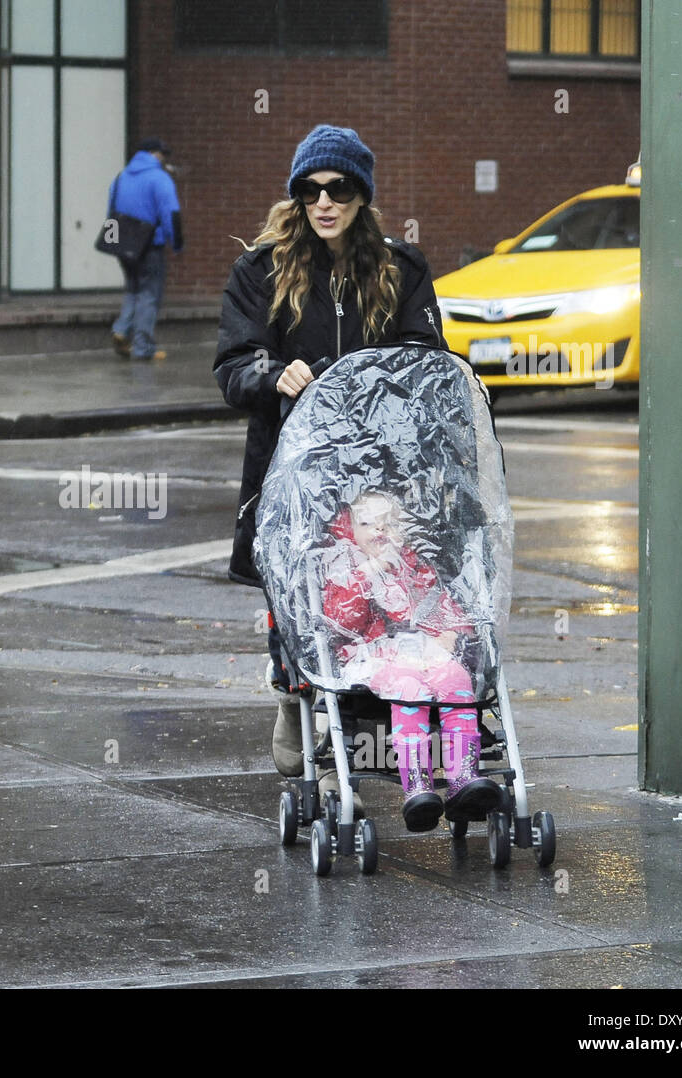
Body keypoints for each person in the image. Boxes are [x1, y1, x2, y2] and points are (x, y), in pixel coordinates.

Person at [212, 124, 447, 807]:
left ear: (360, 196)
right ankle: (296, 700)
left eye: (338, 189)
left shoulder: (401, 269)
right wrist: (270, 374)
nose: (323, 202)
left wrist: (437, 388)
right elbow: (232, 365)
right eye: (310, 190)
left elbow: (424, 357)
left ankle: (372, 731)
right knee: (300, 601)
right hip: (293, 475)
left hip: (378, 479)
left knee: (376, 603)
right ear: (296, 196)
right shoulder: (259, 271)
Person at [321, 492, 500, 831]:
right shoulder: (347, 566)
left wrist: (451, 631)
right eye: (367, 523)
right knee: (408, 687)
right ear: (351, 531)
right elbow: (340, 619)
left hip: (424, 649)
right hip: (373, 655)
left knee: (456, 679)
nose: (379, 530)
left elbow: (437, 601)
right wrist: (370, 572)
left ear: (402, 531)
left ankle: (463, 775)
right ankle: (416, 782)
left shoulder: (413, 564)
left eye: (389, 523)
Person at [108, 137, 183, 362]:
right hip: (150, 245)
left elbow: (110, 213)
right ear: (154, 154)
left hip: (124, 245)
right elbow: (171, 213)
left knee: (133, 290)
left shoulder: (120, 178)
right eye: (162, 154)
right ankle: (143, 347)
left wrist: (116, 242)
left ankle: (121, 329)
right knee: (149, 295)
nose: (163, 158)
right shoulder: (159, 179)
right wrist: (176, 242)